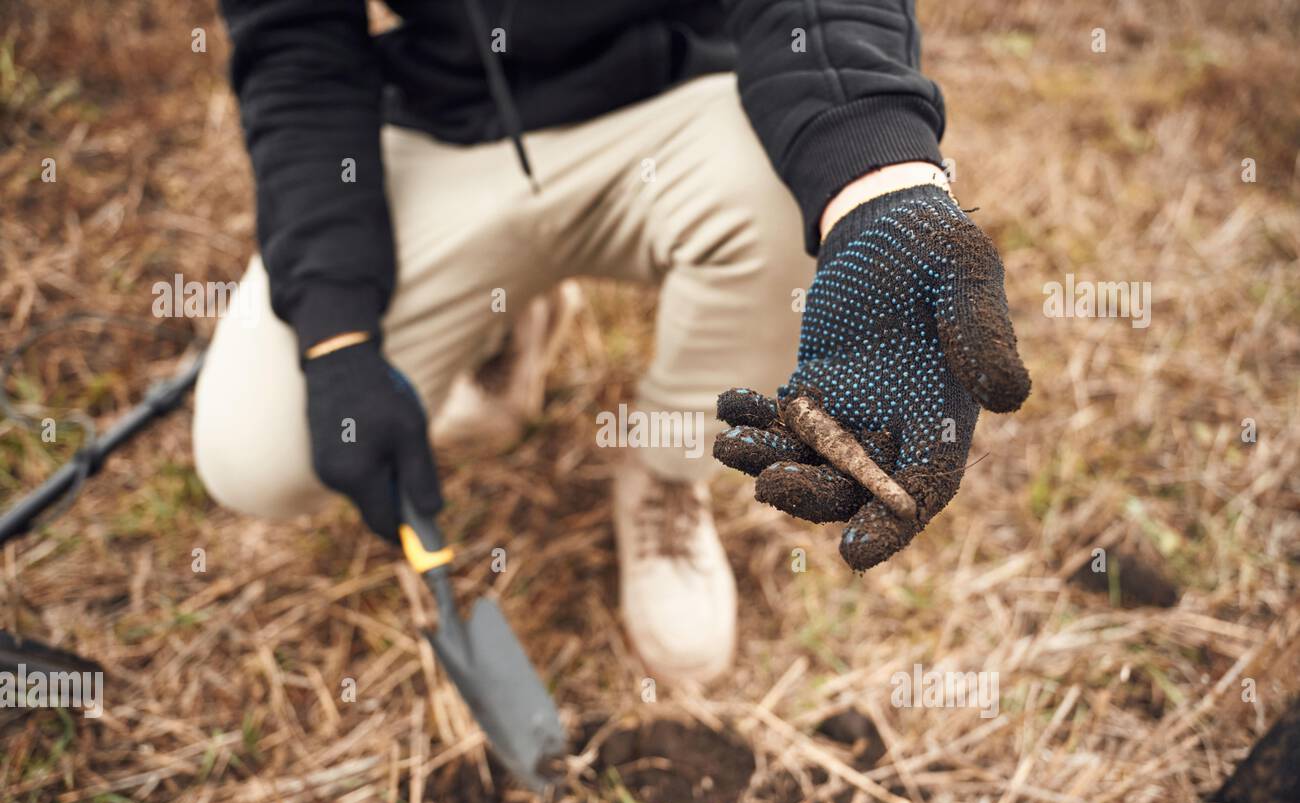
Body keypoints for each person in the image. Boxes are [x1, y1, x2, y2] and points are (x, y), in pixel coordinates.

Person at [193, 0, 1031, 686]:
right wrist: (337, 339)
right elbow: (296, 45)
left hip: (677, 102)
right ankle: (509, 331)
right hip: (446, 120)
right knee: (260, 455)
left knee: (794, 202)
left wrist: (877, 189)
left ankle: (666, 477)